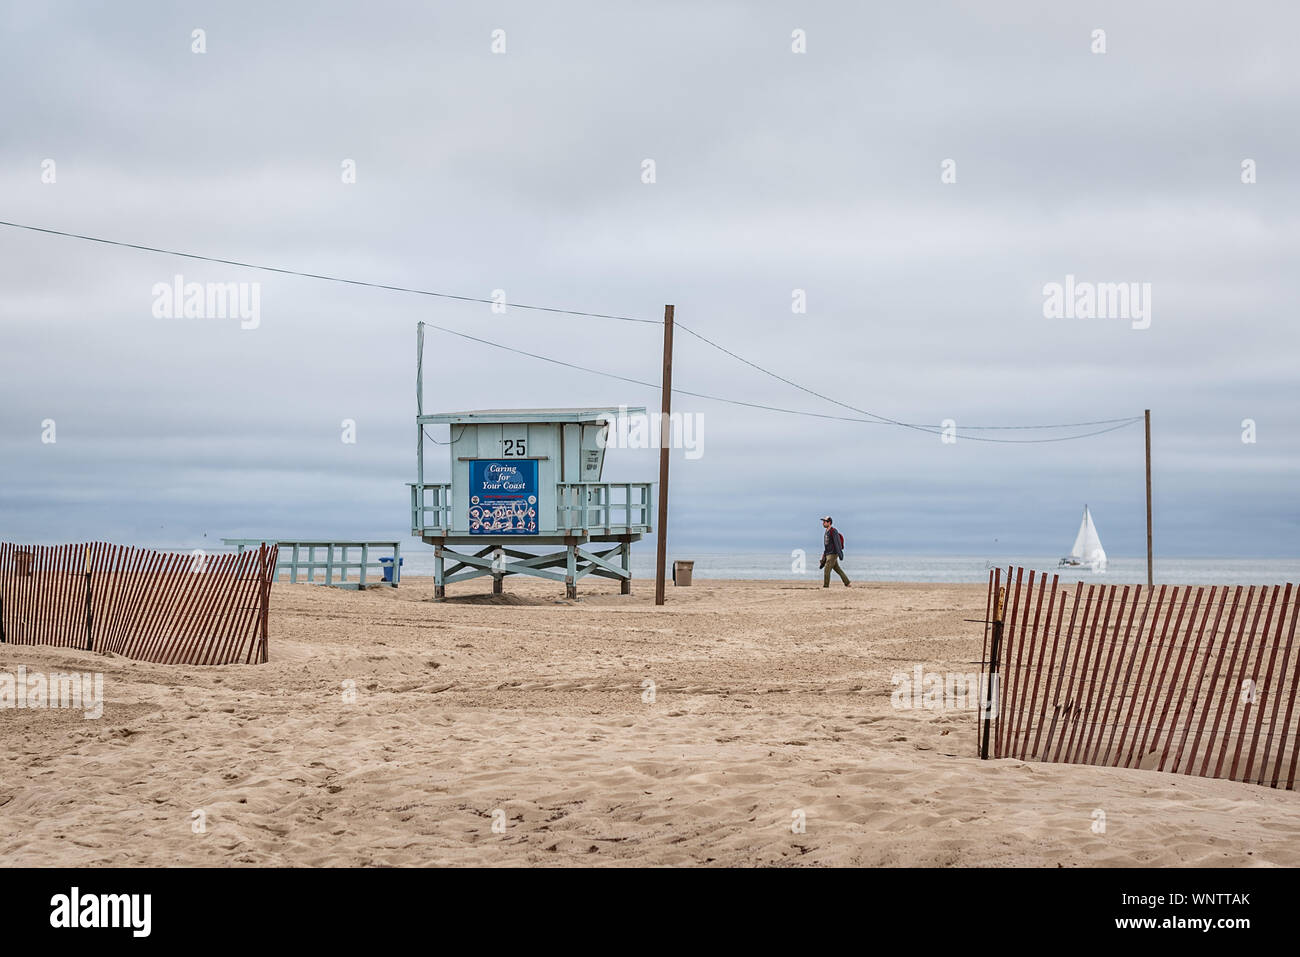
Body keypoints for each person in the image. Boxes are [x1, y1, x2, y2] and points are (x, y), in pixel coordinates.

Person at [820, 516, 850, 588]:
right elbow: (827, 545)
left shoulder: (833, 531)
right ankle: (847, 583)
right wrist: (824, 555)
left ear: (829, 522)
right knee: (837, 569)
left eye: (824, 521)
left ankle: (826, 586)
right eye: (823, 521)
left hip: (833, 554)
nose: (823, 523)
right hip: (828, 553)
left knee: (827, 569)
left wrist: (840, 554)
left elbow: (837, 543)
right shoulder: (826, 532)